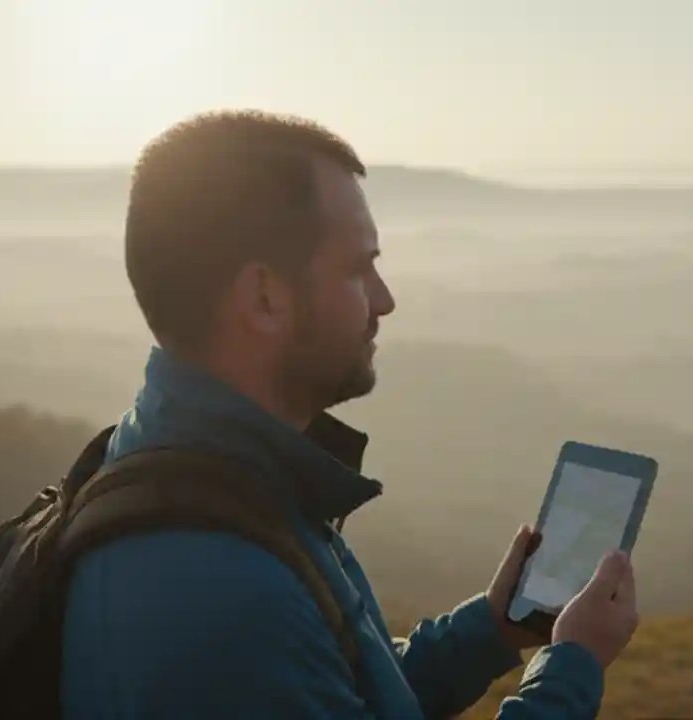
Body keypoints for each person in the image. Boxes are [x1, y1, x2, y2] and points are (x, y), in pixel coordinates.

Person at [61, 110, 640, 719]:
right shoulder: (226, 595)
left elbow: (333, 690)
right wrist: (571, 667)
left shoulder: (183, 468)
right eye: (358, 269)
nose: (385, 299)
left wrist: (491, 628)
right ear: (264, 298)